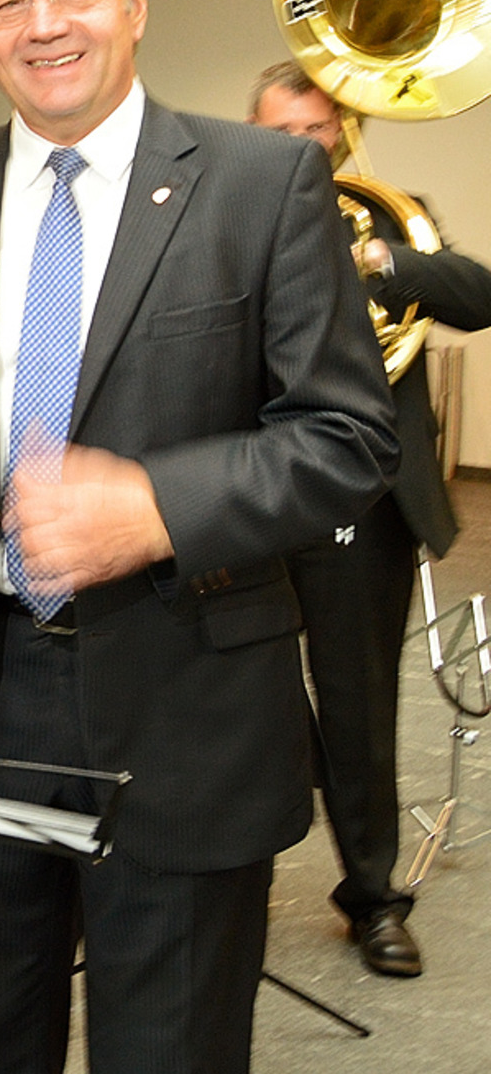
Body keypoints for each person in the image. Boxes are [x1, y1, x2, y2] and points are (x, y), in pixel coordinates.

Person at [0, 0, 397, 1074]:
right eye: (7, 1)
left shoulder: (260, 184)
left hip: (180, 707)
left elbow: (346, 439)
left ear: (133, 4)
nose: (42, 25)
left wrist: (158, 508)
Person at [249, 60, 491, 976]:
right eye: (278, 133)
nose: (300, 148)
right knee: (243, 689)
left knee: (359, 704)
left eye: (314, 131)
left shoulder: (393, 213)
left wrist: (382, 260)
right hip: (259, 491)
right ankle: (231, 866)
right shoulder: (225, 207)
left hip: (363, 499)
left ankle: (374, 897)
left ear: (345, 135)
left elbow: (480, 294)